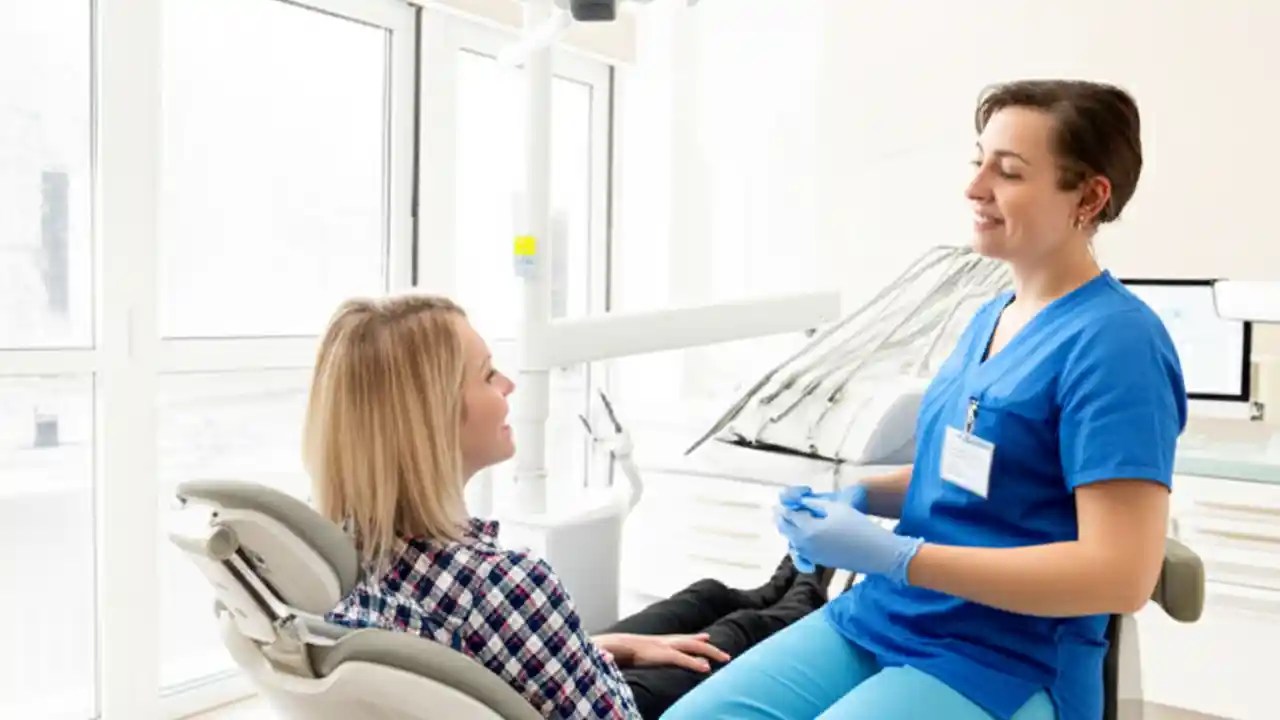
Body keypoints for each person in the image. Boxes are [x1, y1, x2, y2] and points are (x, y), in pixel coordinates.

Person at [661, 79, 1187, 720]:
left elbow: (1120, 576)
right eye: (978, 161)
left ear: (1089, 196)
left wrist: (898, 554)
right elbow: (976, 476)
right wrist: (859, 497)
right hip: (889, 613)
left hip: (1005, 658)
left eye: (1009, 172)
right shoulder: (993, 316)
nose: (975, 188)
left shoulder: (1118, 344)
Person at [303, 294, 830, 720]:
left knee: (705, 595)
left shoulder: (336, 559)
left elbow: (486, 660)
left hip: (526, 689)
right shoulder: (503, 583)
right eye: (487, 375)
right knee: (738, 634)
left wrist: (608, 646)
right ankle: (811, 575)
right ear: (435, 416)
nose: (509, 384)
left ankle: (791, 573)